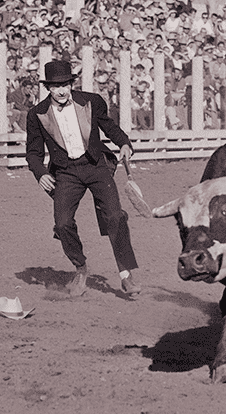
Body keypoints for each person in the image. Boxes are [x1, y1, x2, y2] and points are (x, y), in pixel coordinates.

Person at [25, 59, 141, 298]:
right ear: (48, 88)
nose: (61, 90)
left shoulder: (91, 101)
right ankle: (80, 267)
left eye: (65, 84)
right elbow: (33, 152)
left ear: (71, 84)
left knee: (115, 216)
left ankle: (126, 273)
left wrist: (124, 143)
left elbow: (109, 127)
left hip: (96, 166)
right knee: (62, 224)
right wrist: (40, 173)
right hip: (65, 173)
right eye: (55, 86)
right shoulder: (36, 114)